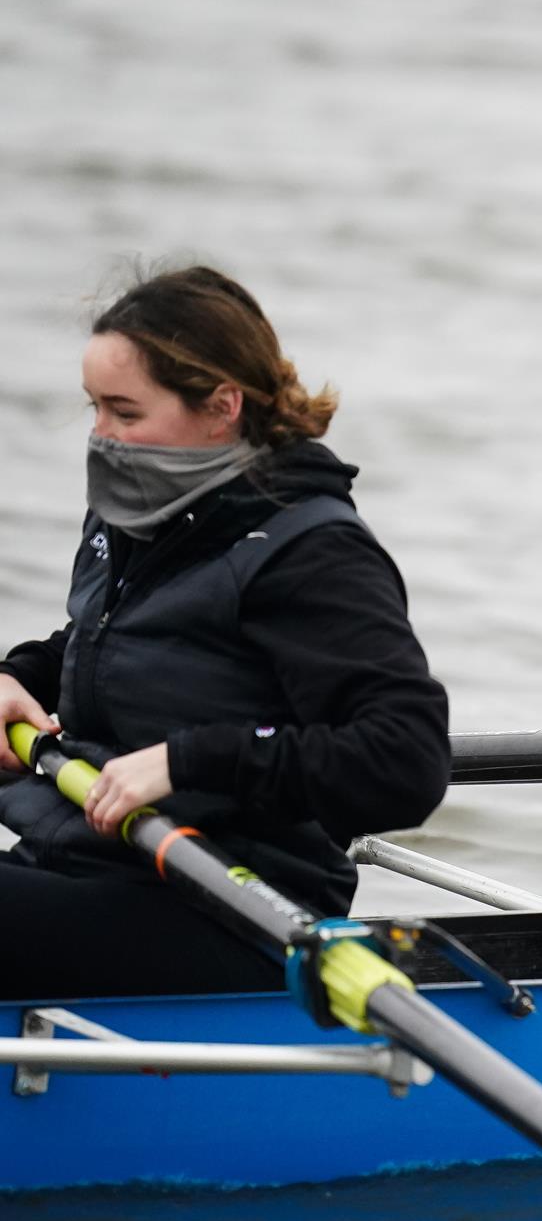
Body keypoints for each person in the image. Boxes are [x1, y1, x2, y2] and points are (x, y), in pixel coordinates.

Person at [0, 265, 450, 998]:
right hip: (92, 864)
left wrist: (189, 760)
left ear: (221, 407)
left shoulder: (314, 553)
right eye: (94, 409)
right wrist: (19, 675)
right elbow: (113, 642)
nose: (101, 437)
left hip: (233, 908)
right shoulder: (142, 513)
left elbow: (406, 759)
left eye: (124, 411)